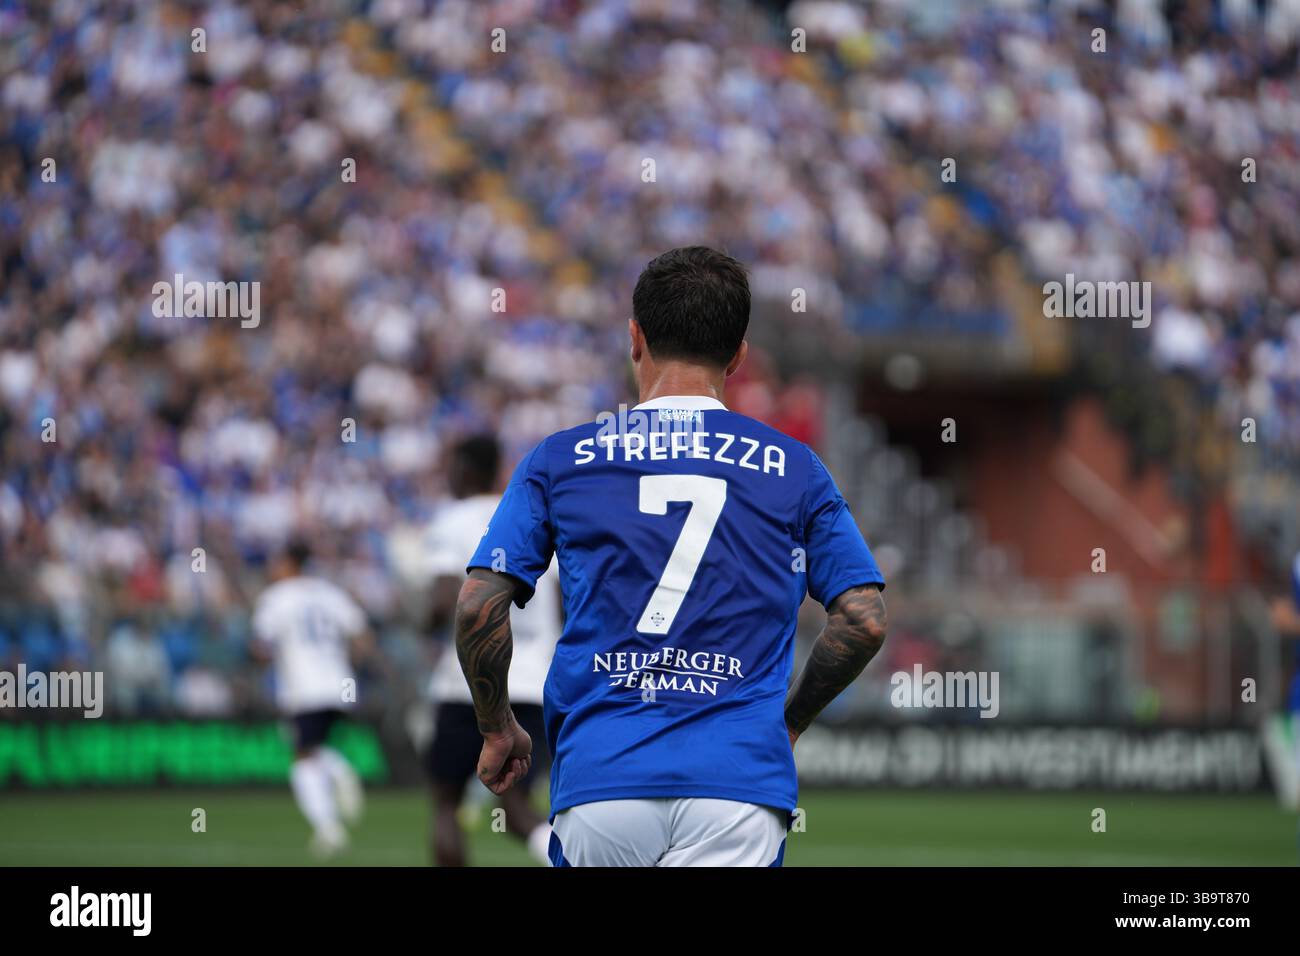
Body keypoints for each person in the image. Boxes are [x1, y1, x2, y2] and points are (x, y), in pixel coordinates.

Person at [453, 246, 888, 866]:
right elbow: (864, 619)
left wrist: (497, 726)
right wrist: (787, 724)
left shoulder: (561, 459)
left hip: (602, 780)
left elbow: (477, 606)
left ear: (635, 338)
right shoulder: (795, 468)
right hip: (736, 785)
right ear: (739, 354)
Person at [423, 434, 558, 866]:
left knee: (446, 804)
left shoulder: (453, 519)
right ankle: (573, 857)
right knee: (517, 809)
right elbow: (560, 603)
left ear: (464, 468)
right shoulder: (531, 515)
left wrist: (421, 622)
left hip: (465, 683)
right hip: (534, 680)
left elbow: (448, 603)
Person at [252, 539, 371, 857]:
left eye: (278, 561)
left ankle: (329, 826)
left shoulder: (276, 598)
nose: (274, 568)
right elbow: (362, 636)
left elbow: (261, 647)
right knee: (313, 749)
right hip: (341, 684)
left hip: (304, 688)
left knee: (302, 758)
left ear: (290, 563)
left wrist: (262, 657)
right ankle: (336, 773)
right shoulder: (330, 593)